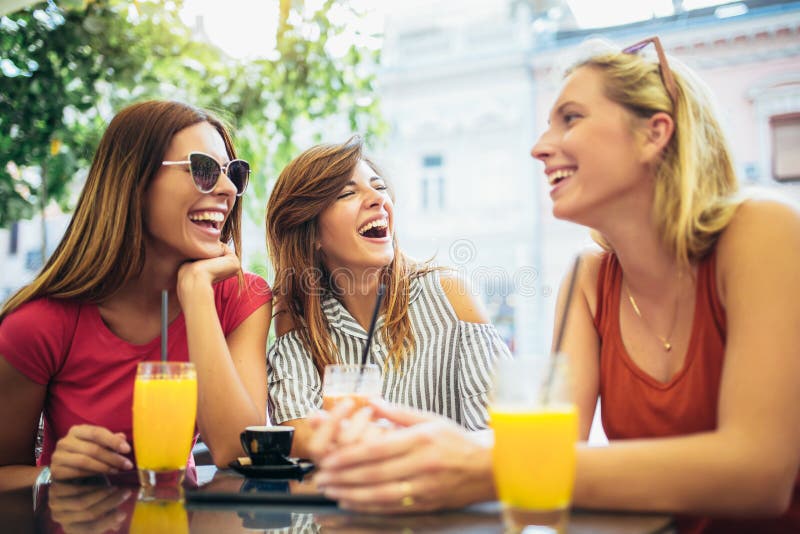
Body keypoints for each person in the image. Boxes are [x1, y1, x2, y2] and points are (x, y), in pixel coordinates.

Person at [303, 37, 800, 530]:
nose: (540, 148)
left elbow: (761, 474)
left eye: (571, 118)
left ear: (655, 133)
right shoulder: (588, 278)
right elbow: (551, 451)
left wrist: (482, 465)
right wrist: (421, 445)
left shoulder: (763, 229)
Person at [0, 100, 272, 490]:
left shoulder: (241, 299)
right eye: (203, 170)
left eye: (234, 173)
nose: (228, 189)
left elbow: (237, 448)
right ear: (135, 182)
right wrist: (49, 476)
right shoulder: (38, 323)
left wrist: (196, 293)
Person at [265, 136, 511, 458]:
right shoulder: (300, 319)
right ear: (311, 235)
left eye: (379, 188)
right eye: (347, 193)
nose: (376, 200)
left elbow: (506, 432)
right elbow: (296, 432)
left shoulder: (449, 296)